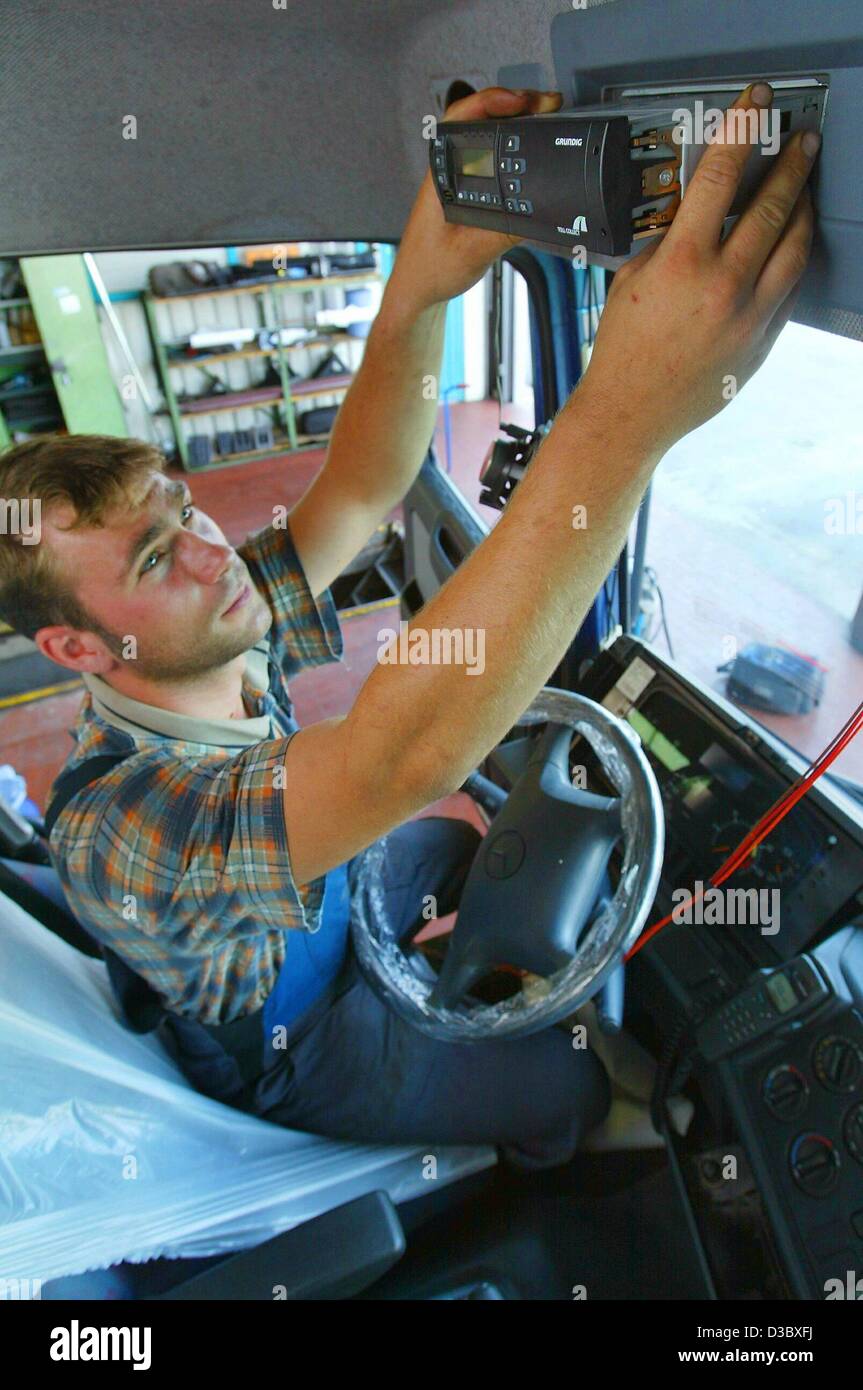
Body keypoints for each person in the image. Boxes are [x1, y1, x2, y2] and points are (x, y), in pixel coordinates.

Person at [0, 81, 818, 1169]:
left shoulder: (203, 635)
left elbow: (359, 487)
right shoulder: (120, 826)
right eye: (155, 558)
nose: (209, 550)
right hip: (302, 1038)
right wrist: (625, 419)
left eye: (183, 509)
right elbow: (402, 755)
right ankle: (566, 1138)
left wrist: (418, 287)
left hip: (320, 899)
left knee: (451, 847)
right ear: (73, 649)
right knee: (563, 1077)